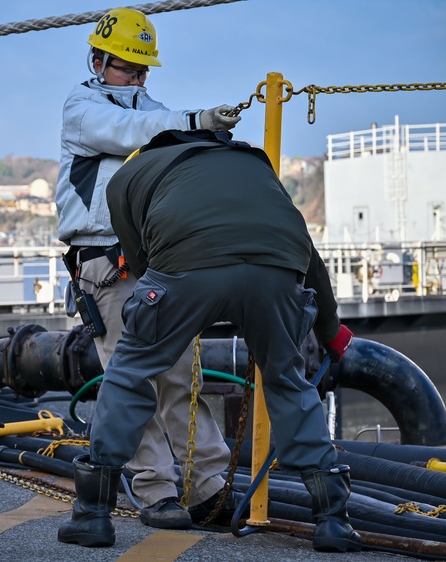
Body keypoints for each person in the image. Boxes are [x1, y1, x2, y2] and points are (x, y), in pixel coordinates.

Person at [56, 128, 361, 552]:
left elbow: (142, 261)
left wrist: (173, 313)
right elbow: (309, 256)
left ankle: (91, 515)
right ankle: (333, 521)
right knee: (287, 381)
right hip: (275, 274)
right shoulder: (255, 163)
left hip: (185, 269)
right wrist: (331, 333)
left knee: (130, 373)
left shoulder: (129, 174)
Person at [54, 7, 241, 530]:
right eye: (125, 67)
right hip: (103, 263)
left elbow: (164, 143)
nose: (135, 78)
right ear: (98, 60)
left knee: (182, 375)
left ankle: (208, 487)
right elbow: (130, 131)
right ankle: (155, 491)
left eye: (141, 70)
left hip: (156, 262)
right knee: (129, 380)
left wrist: (204, 136)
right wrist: (193, 123)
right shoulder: (84, 108)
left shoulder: (157, 112)